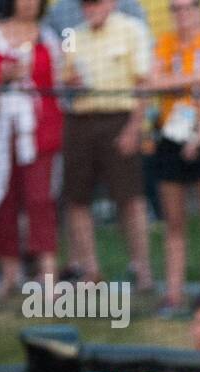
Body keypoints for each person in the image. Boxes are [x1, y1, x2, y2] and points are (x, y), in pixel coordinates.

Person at [0, 0, 63, 300]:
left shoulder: (49, 37)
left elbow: (55, 82)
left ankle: (47, 274)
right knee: (4, 199)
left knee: (39, 198)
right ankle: (9, 273)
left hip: (37, 130)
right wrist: (1, 74)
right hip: (0, 131)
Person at [61, 0, 153, 287]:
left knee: (130, 199)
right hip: (80, 119)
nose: (91, 9)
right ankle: (91, 272)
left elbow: (143, 83)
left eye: (96, 3)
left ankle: (142, 271)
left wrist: (133, 129)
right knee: (77, 199)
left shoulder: (132, 29)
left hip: (118, 118)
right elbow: (63, 80)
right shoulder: (73, 35)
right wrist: (70, 83)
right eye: (86, 4)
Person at [150, 0, 200, 314]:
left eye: (187, 8)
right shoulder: (165, 44)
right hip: (171, 136)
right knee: (174, 220)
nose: (182, 15)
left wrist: (198, 135)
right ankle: (173, 292)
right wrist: (196, 77)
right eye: (176, 9)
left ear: (199, 11)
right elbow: (153, 82)